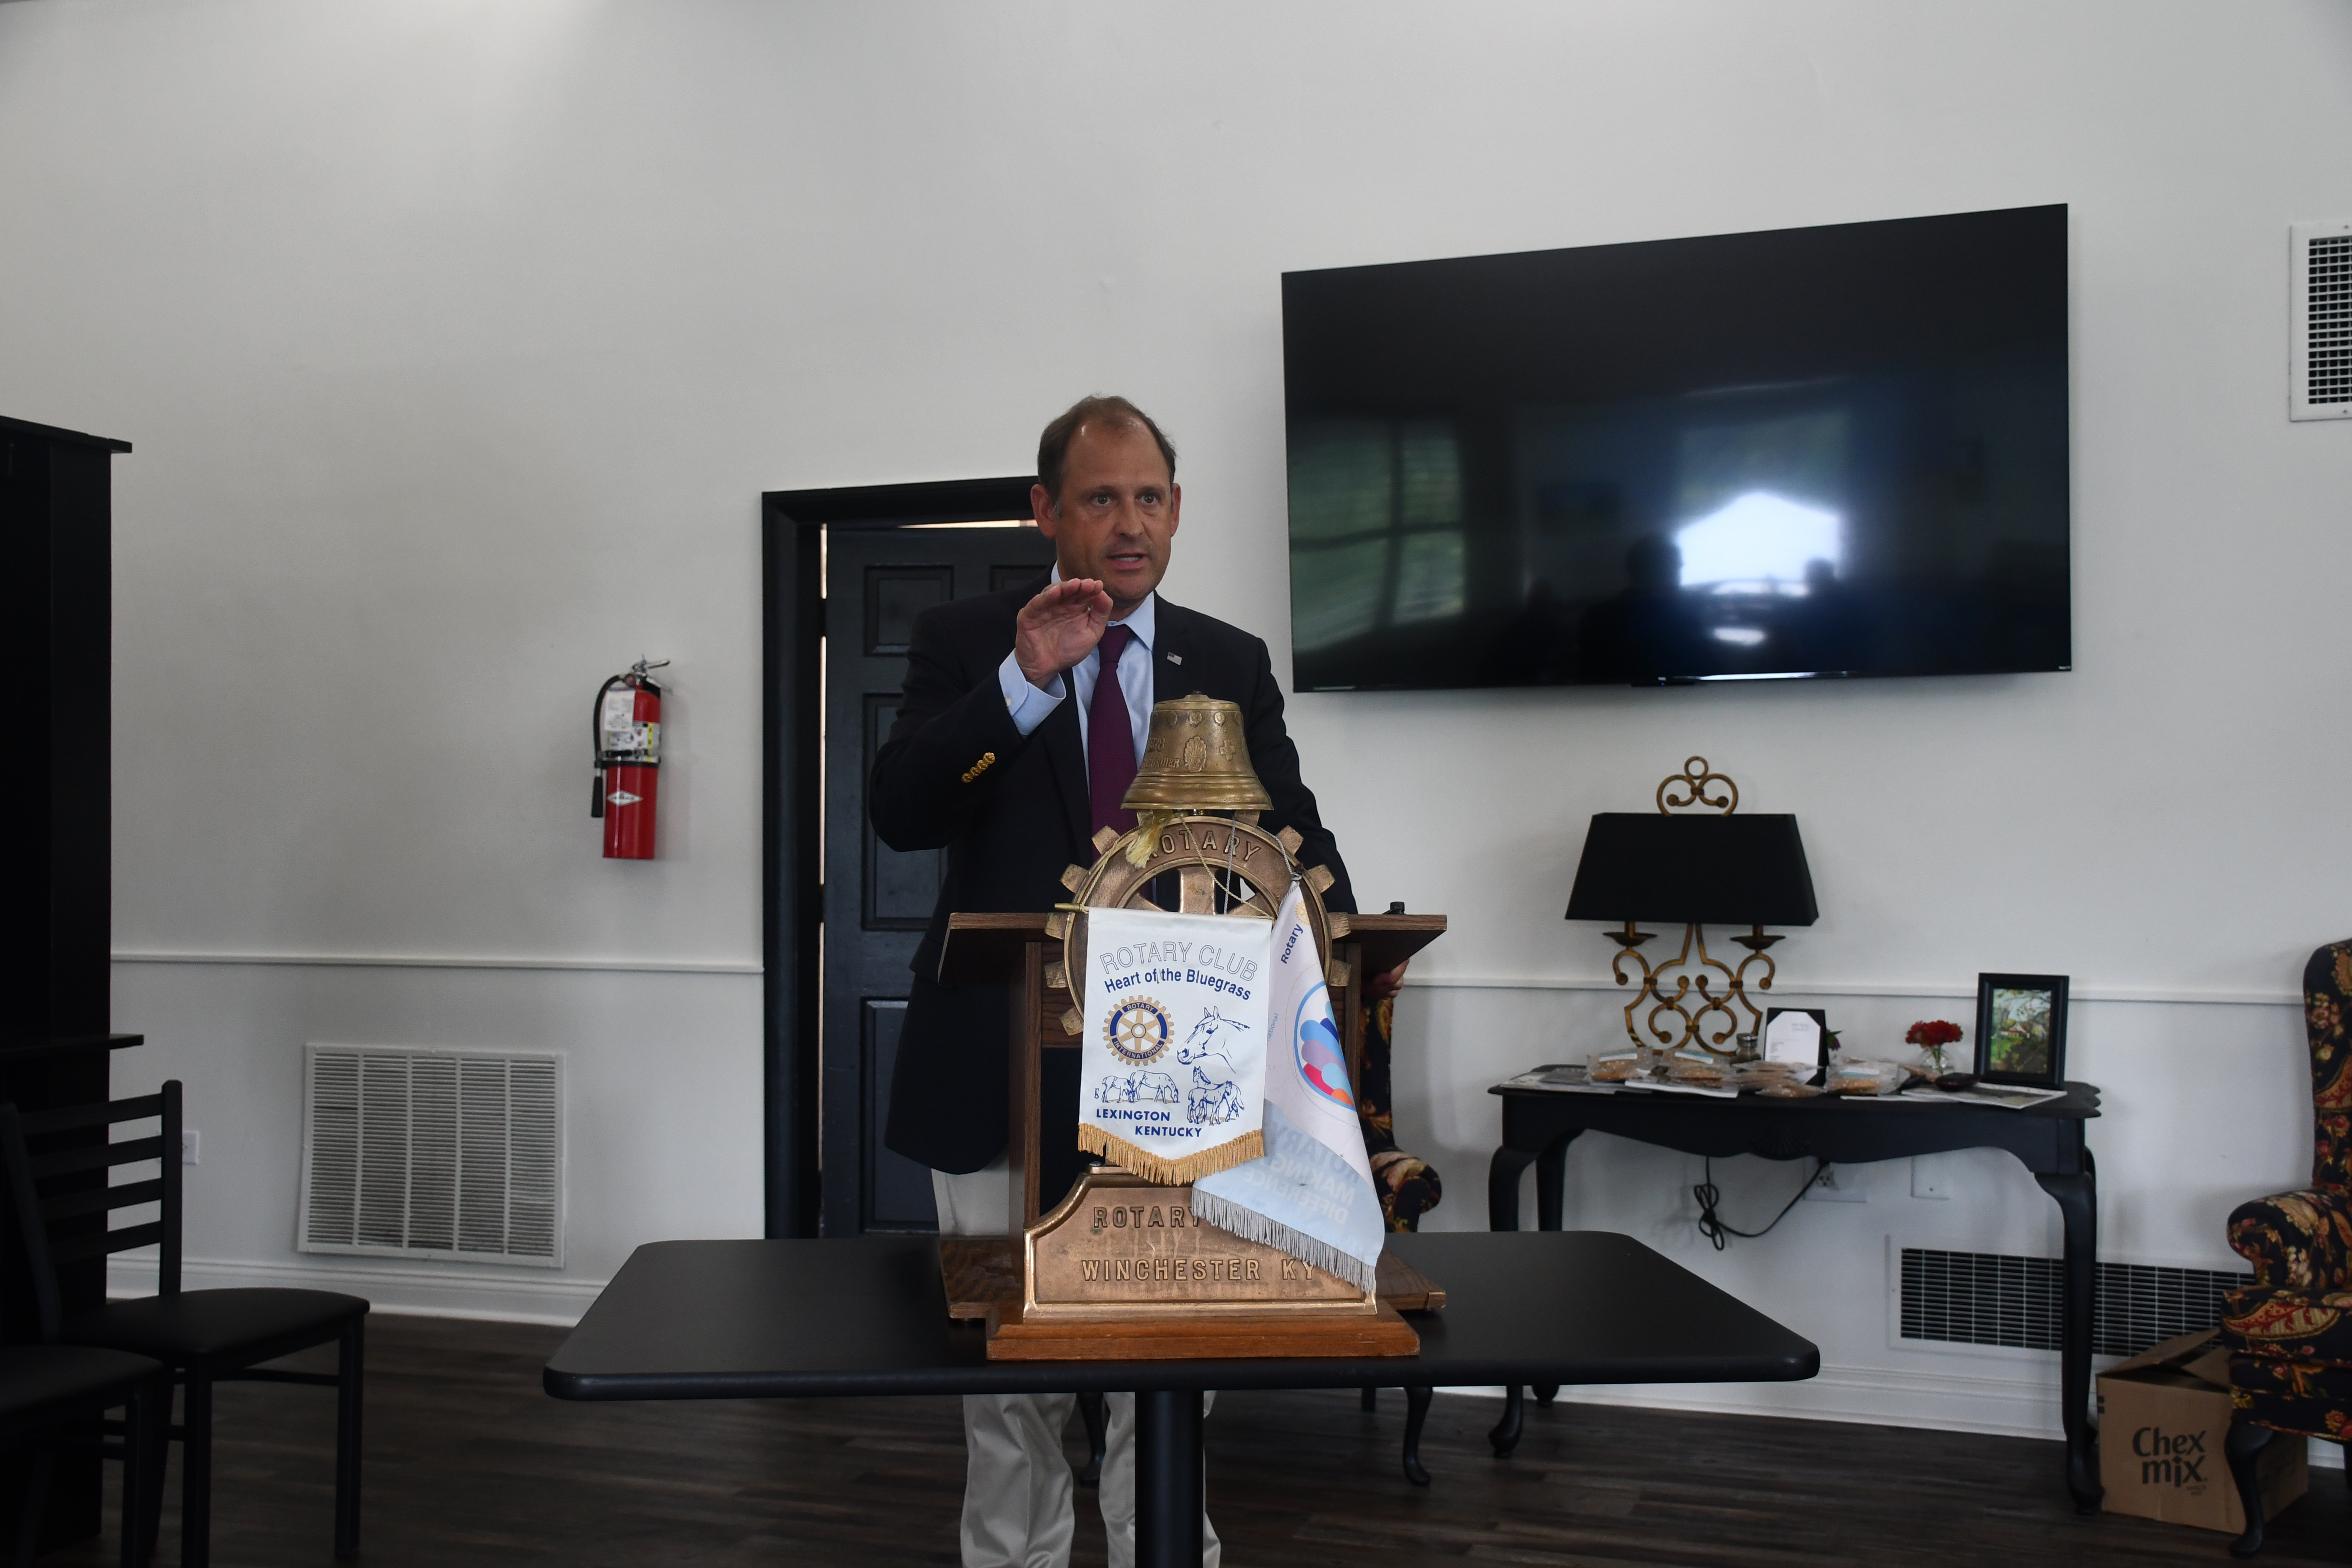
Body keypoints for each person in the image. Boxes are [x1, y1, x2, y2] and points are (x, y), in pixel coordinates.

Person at [871, 395, 1396, 1568]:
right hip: (996, 1058)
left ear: (1176, 511)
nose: (1129, 522)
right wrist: (1022, 682)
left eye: (1149, 496)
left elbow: (1299, 841)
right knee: (1009, 1373)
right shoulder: (971, 641)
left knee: (1177, 1353)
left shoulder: (1227, 659)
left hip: (1190, 1067)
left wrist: (1349, 947)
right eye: (1100, 497)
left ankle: (1168, 1549)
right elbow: (901, 811)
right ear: (1044, 511)